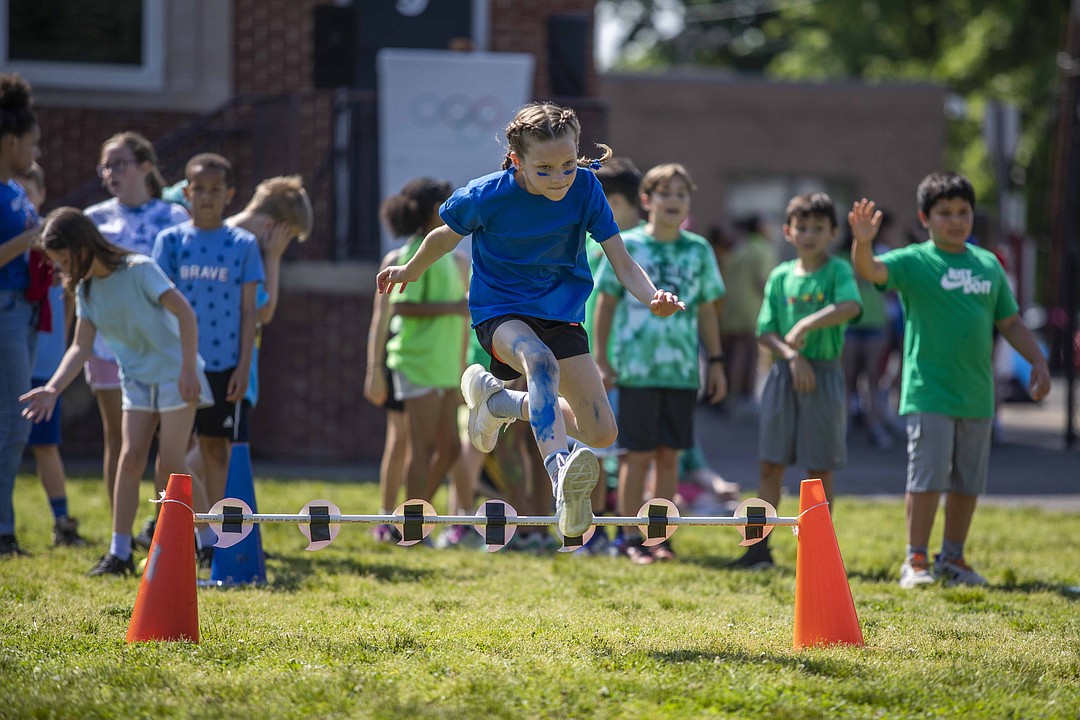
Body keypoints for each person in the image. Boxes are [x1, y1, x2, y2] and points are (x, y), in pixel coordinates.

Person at [377, 101, 685, 540]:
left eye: (567, 165)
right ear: (517, 161)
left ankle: (501, 404)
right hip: (500, 314)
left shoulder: (585, 189)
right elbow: (442, 237)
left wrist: (652, 295)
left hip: (561, 317)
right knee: (540, 362)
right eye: (545, 169)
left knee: (600, 432)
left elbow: (622, 260)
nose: (559, 178)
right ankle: (560, 473)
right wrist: (410, 270)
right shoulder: (486, 194)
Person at [849, 172, 1051, 589]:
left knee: (967, 481)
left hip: (977, 395)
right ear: (925, 217)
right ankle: (916, 560)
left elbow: (1010, 321)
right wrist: (863, 241)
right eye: (945, 213)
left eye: (963, 212)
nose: (956, 221)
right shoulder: (914, 261)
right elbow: (869, 270)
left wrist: (1037, 361)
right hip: (929, 393)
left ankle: (953, 557)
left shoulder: (988, 264)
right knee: (927, 479)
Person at [20, 207, 212, 575]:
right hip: (137, 380)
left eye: (63, 259)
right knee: (129, 457)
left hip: (176, 375)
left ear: (82, 246)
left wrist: (189, 367)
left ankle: (209, 544)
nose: (61, 269)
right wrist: (52, 388)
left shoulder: (139, 269)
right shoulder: (86, 288)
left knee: (172, 463)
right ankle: (119, 553)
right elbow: (80, 347)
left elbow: (185, 314)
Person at [593, 162, 727, 564]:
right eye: (665, 193)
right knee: (636, 455)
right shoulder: (626, 243)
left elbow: (705, 309)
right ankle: (630, 538)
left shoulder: (699, 249)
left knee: (670, 456)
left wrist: (716, 361)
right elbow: (606, 301)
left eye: (681, 194)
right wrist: (601, 358)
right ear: (646, 201)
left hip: (683, 372)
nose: (674, 201)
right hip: (636, 370)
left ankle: (658, 537)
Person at [733, 192, 862, 570]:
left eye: (818, 228)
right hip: (782, 376)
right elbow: (765, 330)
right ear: (788, 232)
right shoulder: (780, 275)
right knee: (770, 466)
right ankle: (758, 549)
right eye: (802, 227)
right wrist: (791, 356)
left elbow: (851, 306)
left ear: (834, 233)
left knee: (819, 468)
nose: (809, 234)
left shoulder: (837, 271)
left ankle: (819, 554)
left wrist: (806, 323)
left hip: (824, 375)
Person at [83, 131, 190, 546]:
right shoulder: (94, 219)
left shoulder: (175, 217)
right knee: (122, 441)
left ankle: (162, 531)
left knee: (172, 445)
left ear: (147, 167)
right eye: (106, 165)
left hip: (165, 348)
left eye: (120, 163)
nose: (111, 173)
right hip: (111, 348)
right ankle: (119, 535)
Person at [151, 153, 265, 512]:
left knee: (216, 450)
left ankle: (218, 541)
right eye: (198, 188)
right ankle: (175, 534)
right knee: (174, 455)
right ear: (186, 192)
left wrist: (244, 367)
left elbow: (250, 313)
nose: (206, 196)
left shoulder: (244, 244)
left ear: (230, 194)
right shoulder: (169, 242)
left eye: (215, 189)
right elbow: (158, 305)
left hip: (224, 365)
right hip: (180, 364)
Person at [381, 178, 469, 530]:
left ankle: (410, 519)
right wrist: (455, 307)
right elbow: (402, 308)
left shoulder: (446, 252)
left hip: (445, 366)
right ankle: (412, 528)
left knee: (449, 450)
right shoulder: (414, 252)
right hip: (417, 362)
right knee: (422, 448)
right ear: (436, 210)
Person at [15, 163, 87, 547]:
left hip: (45, 364)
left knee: (45, 444)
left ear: (42, 195)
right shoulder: (11, 242)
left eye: (29, 193)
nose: (24, 201)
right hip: (12, 359)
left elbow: (71, 304)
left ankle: (62, 521)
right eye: (16, 195)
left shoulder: (56, 243)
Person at [0, 72, 42, 557]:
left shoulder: (14, 187)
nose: (36, 150)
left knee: (14, 423)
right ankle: (3, 530)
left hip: (24, 312)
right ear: (9, 141)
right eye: (32, 142)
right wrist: (32, 239)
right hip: (4, 311)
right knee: (15, 422)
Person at [364, 247, 409, 543]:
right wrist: (374, 368)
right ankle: (385, 516)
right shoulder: (394, 259)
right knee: (399, 439)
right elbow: (380, 319)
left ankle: (418, 519)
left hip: (441, 366)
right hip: (402, 361)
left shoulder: (454, 259)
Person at [720, 215, 776, 418]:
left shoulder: (737, 250)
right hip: (752, 310)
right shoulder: (762, 249)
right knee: (749, 356)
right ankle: (746, 401)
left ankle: (731, 398)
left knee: (735, 355)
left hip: (731, 310)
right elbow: (763, 281)